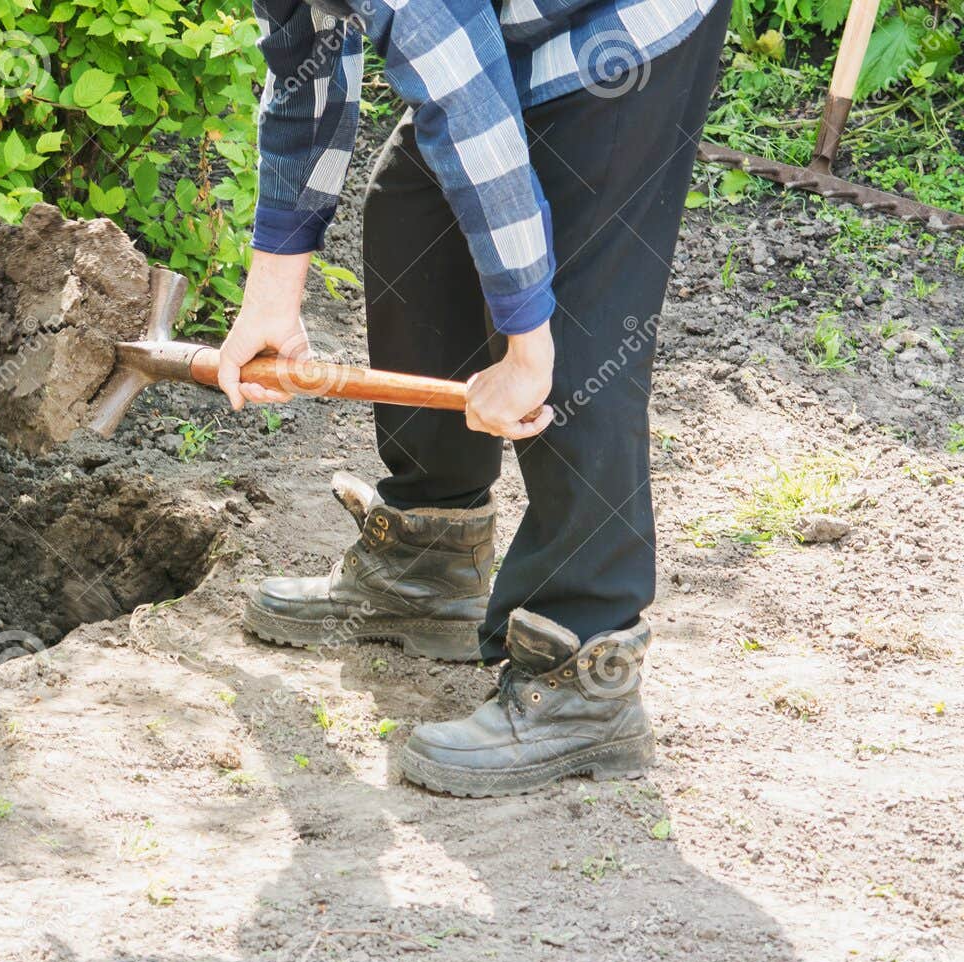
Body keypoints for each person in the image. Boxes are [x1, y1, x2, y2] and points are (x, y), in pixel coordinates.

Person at [224, 0, 732, 796]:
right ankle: (431, 559)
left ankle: (583, 667)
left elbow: (468, 108)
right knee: (413, 212)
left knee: (572, 317)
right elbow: (306, 62)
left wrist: (528, 343)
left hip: (623, 25)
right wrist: (271, 296)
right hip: (505, 18)